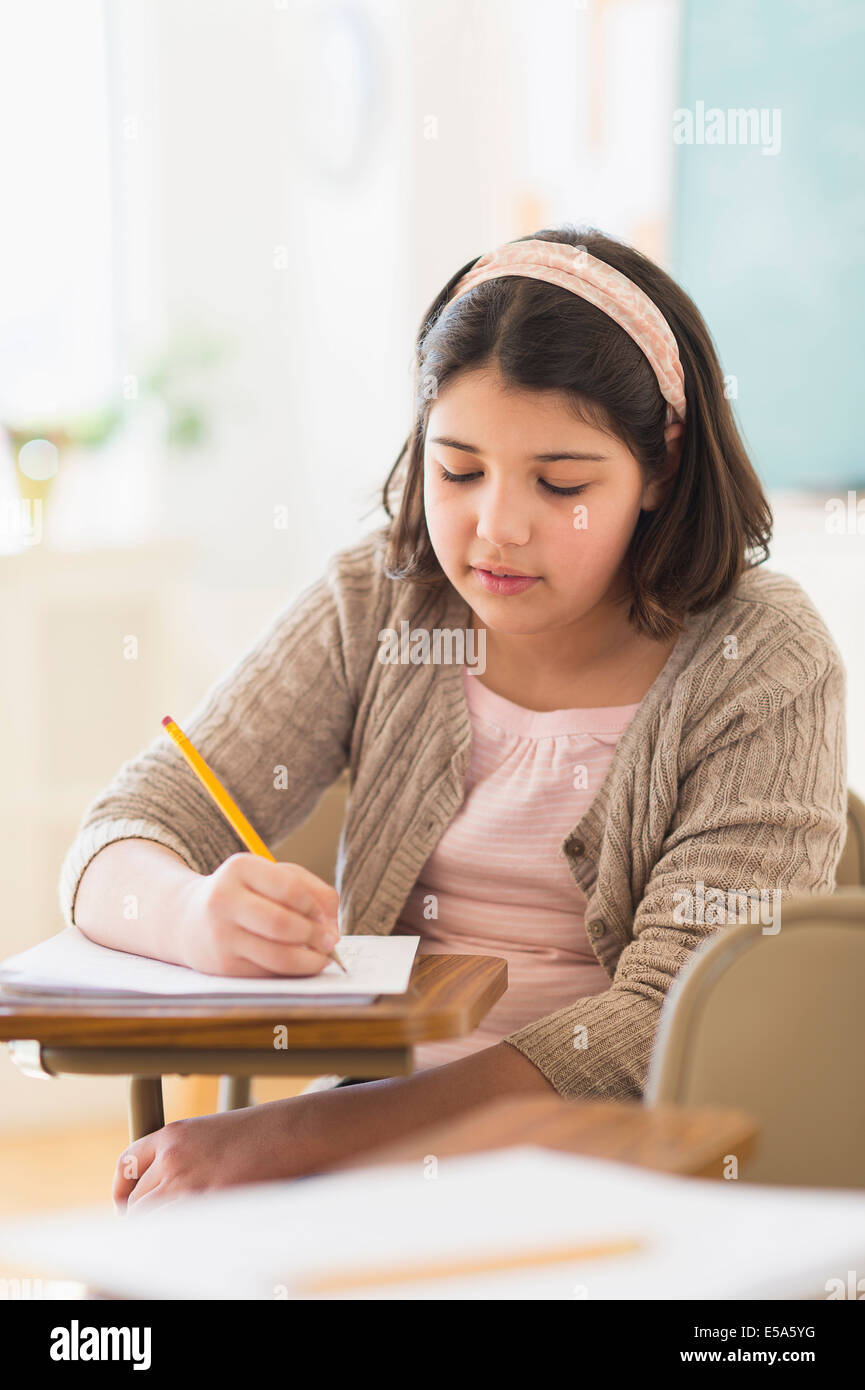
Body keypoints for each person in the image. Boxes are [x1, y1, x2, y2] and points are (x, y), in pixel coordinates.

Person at [59, 226, 847, 1212]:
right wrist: (189, 914)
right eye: (459, 469)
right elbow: (125, 827)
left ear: (660, 466)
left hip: (629, 1154)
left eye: (560, 482)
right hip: (371, 1126)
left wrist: (293, 1135)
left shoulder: (759, 654)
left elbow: (672, 1016)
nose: (495, 527)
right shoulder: (382, 603)